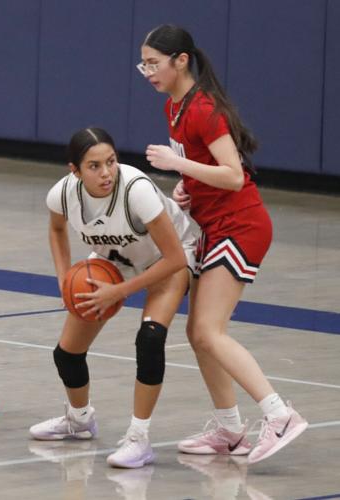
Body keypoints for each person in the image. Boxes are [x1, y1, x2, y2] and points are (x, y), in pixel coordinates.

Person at [139, 24, 307, 464]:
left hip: (241, 225)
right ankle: (231, 430)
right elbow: (206, 171)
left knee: (207, 331)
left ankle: (279, 415)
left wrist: (178, 163)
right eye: (144, 65)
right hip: (213, 223)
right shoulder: (175, 108)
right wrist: (186, 185)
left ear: (180, 61)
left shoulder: (203, 109)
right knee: (199, 334)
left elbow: (234, 175)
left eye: (154, 64)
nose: (148, 72)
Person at [30, 127, 199, 469]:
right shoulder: (62, 194)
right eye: (94, 166)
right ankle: (79, 421)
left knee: (150, 340)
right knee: (66, 353)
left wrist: (119, 292)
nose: (106, 172)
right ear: (74, 171)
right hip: (114, 259)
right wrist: (65, 280)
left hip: (168, 258)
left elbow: (174, 259)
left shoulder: (135, 190)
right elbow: (57, 229)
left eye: (111, 161)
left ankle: (139, 438)